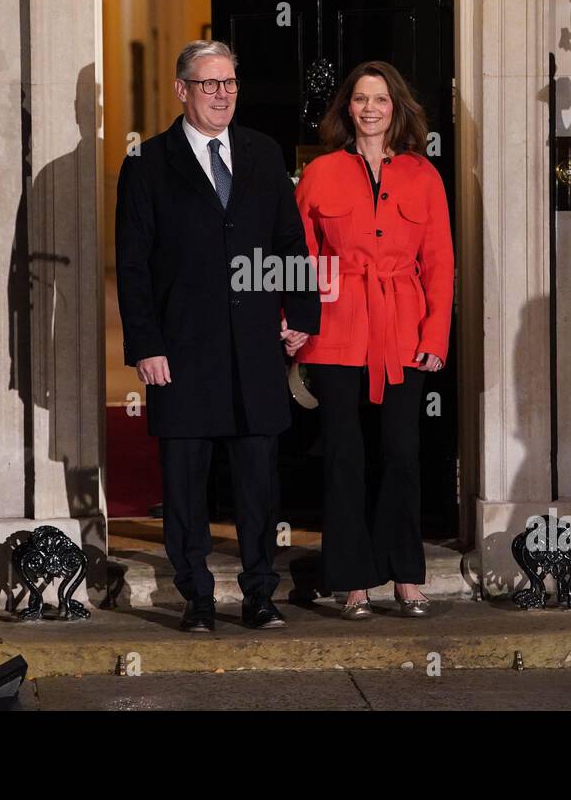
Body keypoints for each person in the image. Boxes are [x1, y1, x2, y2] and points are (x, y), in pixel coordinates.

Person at [115, 40, 320, 632]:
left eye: (229, 82)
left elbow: (288, 242)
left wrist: (301, 311)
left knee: (258, 482)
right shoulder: (148, 164)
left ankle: (260, 593)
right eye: (210, 84)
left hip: (254, 348)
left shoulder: (262, 152)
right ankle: (197, 597)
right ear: (182, 90)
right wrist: (146, 345)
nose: (222, 94)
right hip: (181, 352)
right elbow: (133, 264)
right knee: (185, 486)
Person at [292, 60, 454, 619]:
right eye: (360, 99)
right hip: (337, 332)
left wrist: (436, 333)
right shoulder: (321, 173)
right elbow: (303, 258)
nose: (370, 108)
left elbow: (439, 262)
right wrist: (297, 322)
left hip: (403, 332)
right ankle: (352, 578)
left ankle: (406, 573)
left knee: (402, 455)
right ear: (347, 109)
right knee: (343, 456)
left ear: (396, 108)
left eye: (380, 99)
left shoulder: (423, 176)